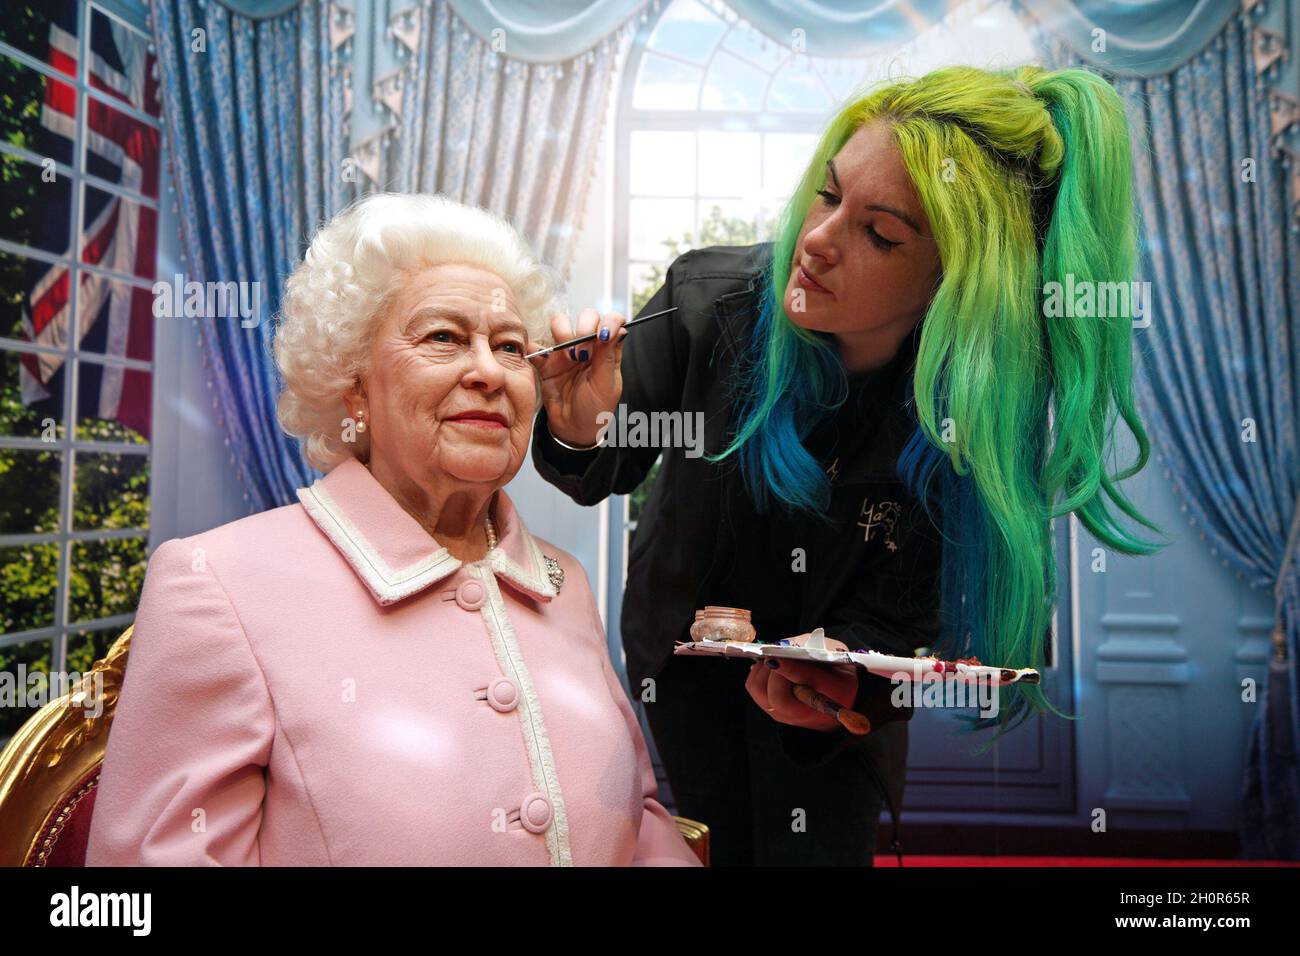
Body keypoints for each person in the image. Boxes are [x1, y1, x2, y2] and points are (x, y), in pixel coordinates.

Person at [530, 65, 1161, 866]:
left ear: (954, 285)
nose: (817, 241)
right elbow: (602, 464)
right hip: (681, 670)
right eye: (828, 196)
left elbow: (907, 610)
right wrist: (581, 423)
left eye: (881, 233)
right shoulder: (708, 301)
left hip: (838, 724)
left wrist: (843, 687)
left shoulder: (962, 407)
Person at [85, 193, 701, 866]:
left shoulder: (565, 583)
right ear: (353, 386)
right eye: (443, 338)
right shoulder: (216, 585)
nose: (490, 372)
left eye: (511, 347)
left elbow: (640, 823)